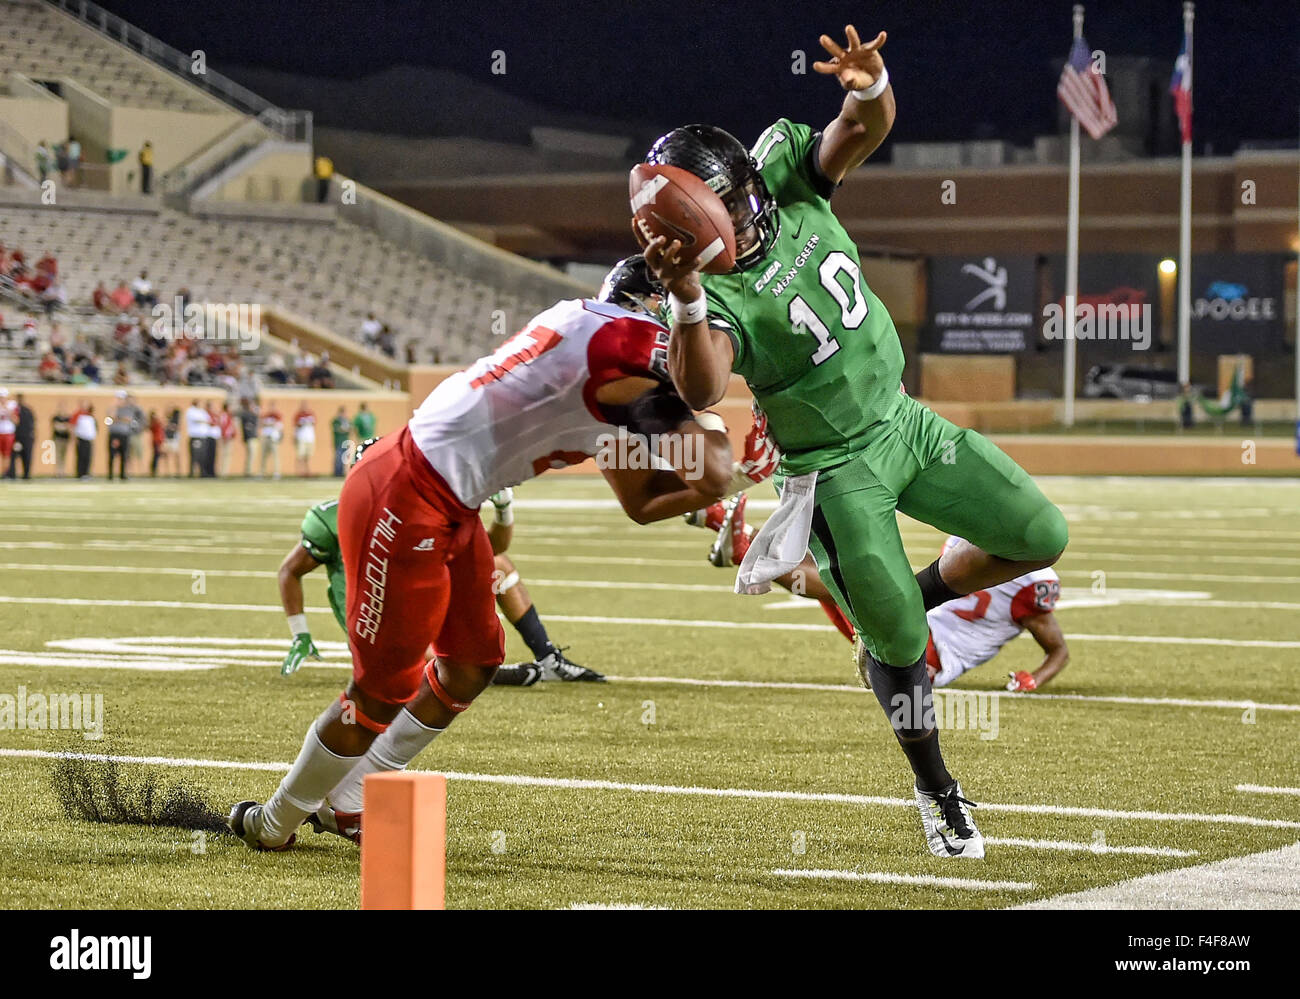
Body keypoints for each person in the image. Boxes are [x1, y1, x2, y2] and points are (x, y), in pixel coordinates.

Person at [640, 24, 1067, 860]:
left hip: (904, 422)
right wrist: (688, 297)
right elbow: (699, 389)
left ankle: (908, 597)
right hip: (835, 475)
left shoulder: (787, 171)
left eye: (733, 201)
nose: (737, 219)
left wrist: (869, 85)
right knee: (905, 650)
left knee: (1040, 534)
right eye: (715, 214)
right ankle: (938, 789)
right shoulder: (705, 294)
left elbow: (861, 128)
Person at [228, 255, 731, 849]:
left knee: (472, 662)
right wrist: (720, 429)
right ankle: (275, 820)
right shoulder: (620, 341)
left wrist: (720, 493)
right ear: (659, 312)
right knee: (381, 690)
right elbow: (713, 460)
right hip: (406, 489)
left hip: (451, 502)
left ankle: (352, 794)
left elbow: (643, 501)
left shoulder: (605, 366)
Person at [71, 401, 97, 479]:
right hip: (81, 439)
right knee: (81, 457)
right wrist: (74, 438)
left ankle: (86, 473)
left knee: (88, 457)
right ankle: (80, 473)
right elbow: (72, 426)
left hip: (89, 439)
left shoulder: (90, 416)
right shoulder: (78, 414)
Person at [184, 399, 209, 478]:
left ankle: (202, 472)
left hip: (202, 436)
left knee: (202, 455)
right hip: (195, 436)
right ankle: (192, 472)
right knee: (195, 455)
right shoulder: (190, 411)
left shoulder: (201, 411)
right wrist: (204, 421)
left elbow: (208, 419)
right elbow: (198, 420)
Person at [259, 403, 284, 479]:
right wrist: (269, 424)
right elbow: (261, 424)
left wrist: (270, 424)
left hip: (273, 438)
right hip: (266, 437)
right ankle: (262, 473)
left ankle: (276, 473)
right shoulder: (266, 415)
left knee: (275, 456)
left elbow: (279, 426)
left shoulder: (277, 416)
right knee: (263, 456)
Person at [238, 397, 260, 476]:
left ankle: (250, 471)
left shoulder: (253, 415)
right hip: (250, 438)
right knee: (251, 455)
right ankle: (249, 472)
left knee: (253, 455)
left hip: (254, 437)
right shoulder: (246, 415)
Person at [293, 402, 315, 477]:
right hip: (301, 437)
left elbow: (313, 424)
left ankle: (307, 472)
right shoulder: (298, 415)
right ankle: (299, 472)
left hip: (309, 438)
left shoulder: (311, 414)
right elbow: (295, 426)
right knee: (300, 456)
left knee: (307, 456)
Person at [51, 404, 71, 477]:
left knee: (64, 456)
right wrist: (64, 426)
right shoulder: (56, 417)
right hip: (57, 439)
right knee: (58, 456)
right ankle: (58, 472)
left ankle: (63, 471)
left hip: (65, 439)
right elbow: (56, 427)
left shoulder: (68, 418)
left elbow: (69, 427)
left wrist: (62, 426)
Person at [330, 406, 351, 477]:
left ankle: (342, 472)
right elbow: (339, 429)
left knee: (344, 458)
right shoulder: (336, 421)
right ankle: (337, 473)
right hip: (338, 442)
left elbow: (350, 429)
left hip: (345, 442)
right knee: (338, 458)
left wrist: (344, 429)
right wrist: (344, 429)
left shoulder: (347, 420)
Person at [0, 389, 15, 473]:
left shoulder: (11, 405)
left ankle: (5, 473)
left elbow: (16, 420)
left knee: (7, 454)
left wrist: (6, 409)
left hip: (8, 433)